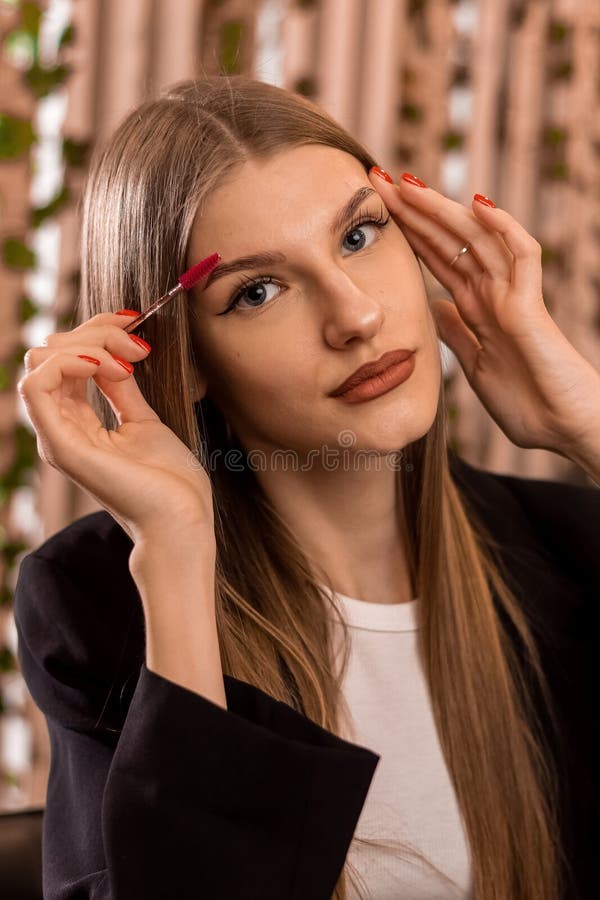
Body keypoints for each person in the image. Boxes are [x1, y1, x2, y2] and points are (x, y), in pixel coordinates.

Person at [13, 75, 600, 900]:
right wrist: (177, 558)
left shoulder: (573, 546)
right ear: (178, 358)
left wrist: (591, 429)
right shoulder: (97, 606)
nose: (355, 315)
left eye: (360, 235)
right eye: (257, 291)